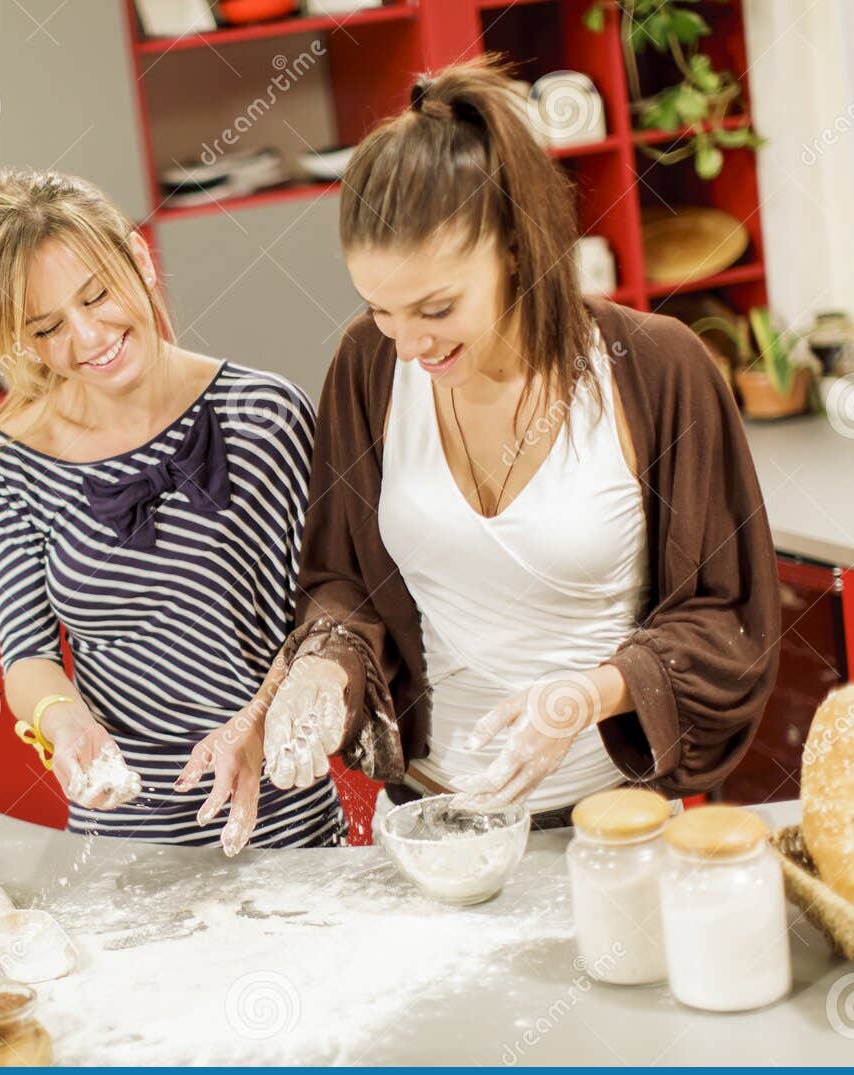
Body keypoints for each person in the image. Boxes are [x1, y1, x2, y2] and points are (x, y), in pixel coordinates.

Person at [262, 60, 780, 828]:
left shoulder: (656, 369)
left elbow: (728, 613)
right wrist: (323, 662)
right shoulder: (366, 367)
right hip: (429, 819)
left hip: (611, 822)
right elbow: (343, 579)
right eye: (381, 308)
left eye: (436, 307)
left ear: (513, 245)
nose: (408, 344)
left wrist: (587, 695)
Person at [0, 168, 345, 853]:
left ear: (139, 258)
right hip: (122, 840)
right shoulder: (12, 460)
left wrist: (257, 723)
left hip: (283, 822)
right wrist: (67, 724)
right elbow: (26, 655)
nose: (87, 338)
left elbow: (330, 612)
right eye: (49, 327)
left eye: (97, 295)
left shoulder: (264, 415)